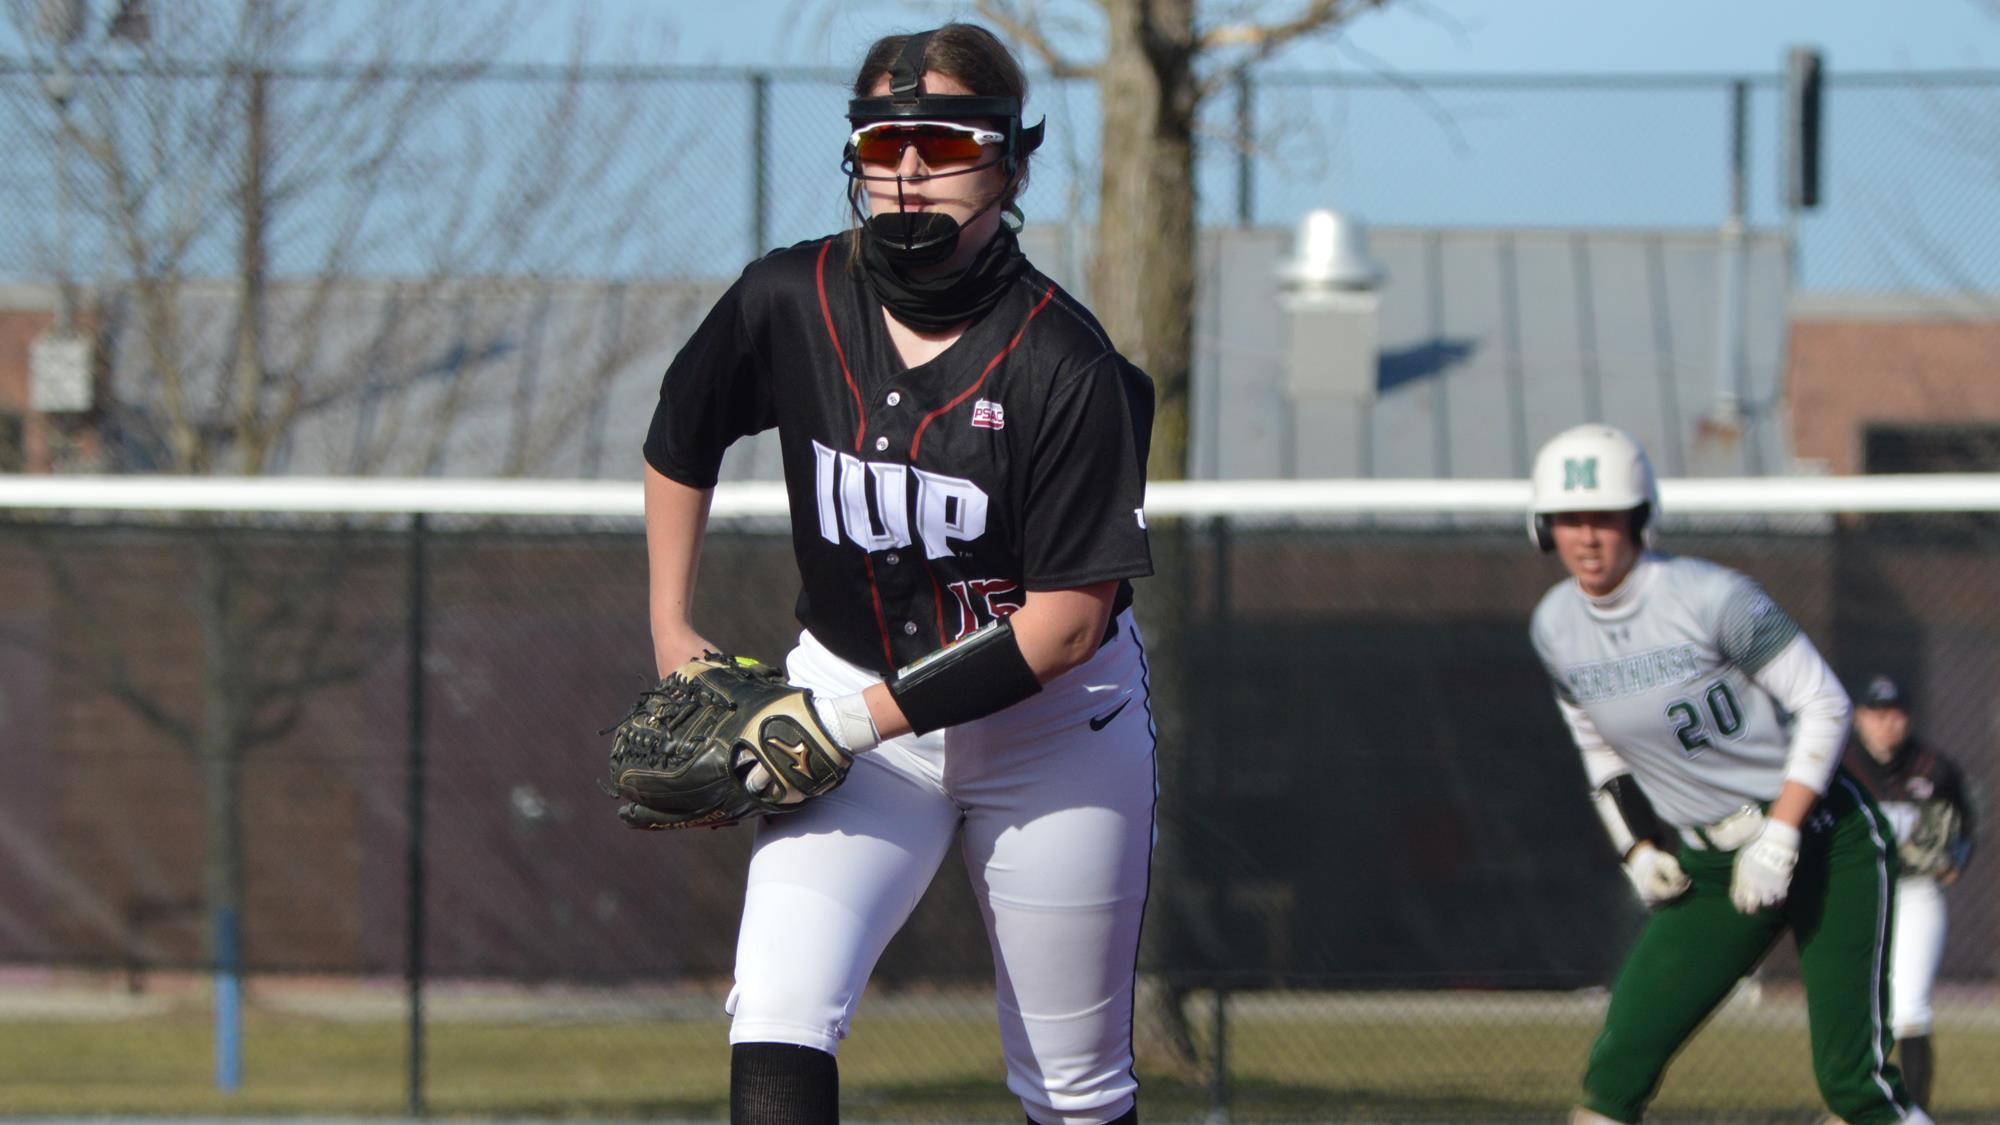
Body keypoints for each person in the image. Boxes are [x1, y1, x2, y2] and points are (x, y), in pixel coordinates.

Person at [640, 23, 1157, 1125]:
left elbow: (1064, 625)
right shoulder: (791, 297)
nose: (907, 168)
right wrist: (668, 627)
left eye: (939, 140)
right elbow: (680, 434)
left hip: (1054, 731)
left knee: (1070, 1092)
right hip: (847, 695)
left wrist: (847, 725)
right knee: (775, 1010)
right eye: (881, 143)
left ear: (1010, 164)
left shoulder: (1066, 364)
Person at [1523, 423, 1932, 1125]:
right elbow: (1599, 746)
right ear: (1543, 526)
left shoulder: (1711, 596)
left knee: (1851, 1087)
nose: (1587, 537)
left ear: (1640, 517)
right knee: (1613, 1075)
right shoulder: (1556, 624)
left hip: (1827, 841)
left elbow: (1824, 701)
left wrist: (1780, 834)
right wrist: (1639, 847)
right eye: (1569, 519)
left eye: (1604, 517)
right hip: (1711, 864)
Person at [1842, 674, 1979, 1110]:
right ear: (1861, 718)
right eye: (1878, 715)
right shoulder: (1838, 766)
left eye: (1896, 714)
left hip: (1916, 893)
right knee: (1856, 1007)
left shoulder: (1933, 768)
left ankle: (1916, 1114)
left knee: (1910, 1009)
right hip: (1859, 896)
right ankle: (1857, 1108)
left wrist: (1956, 860)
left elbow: (1966, 825)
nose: (1888, 724)